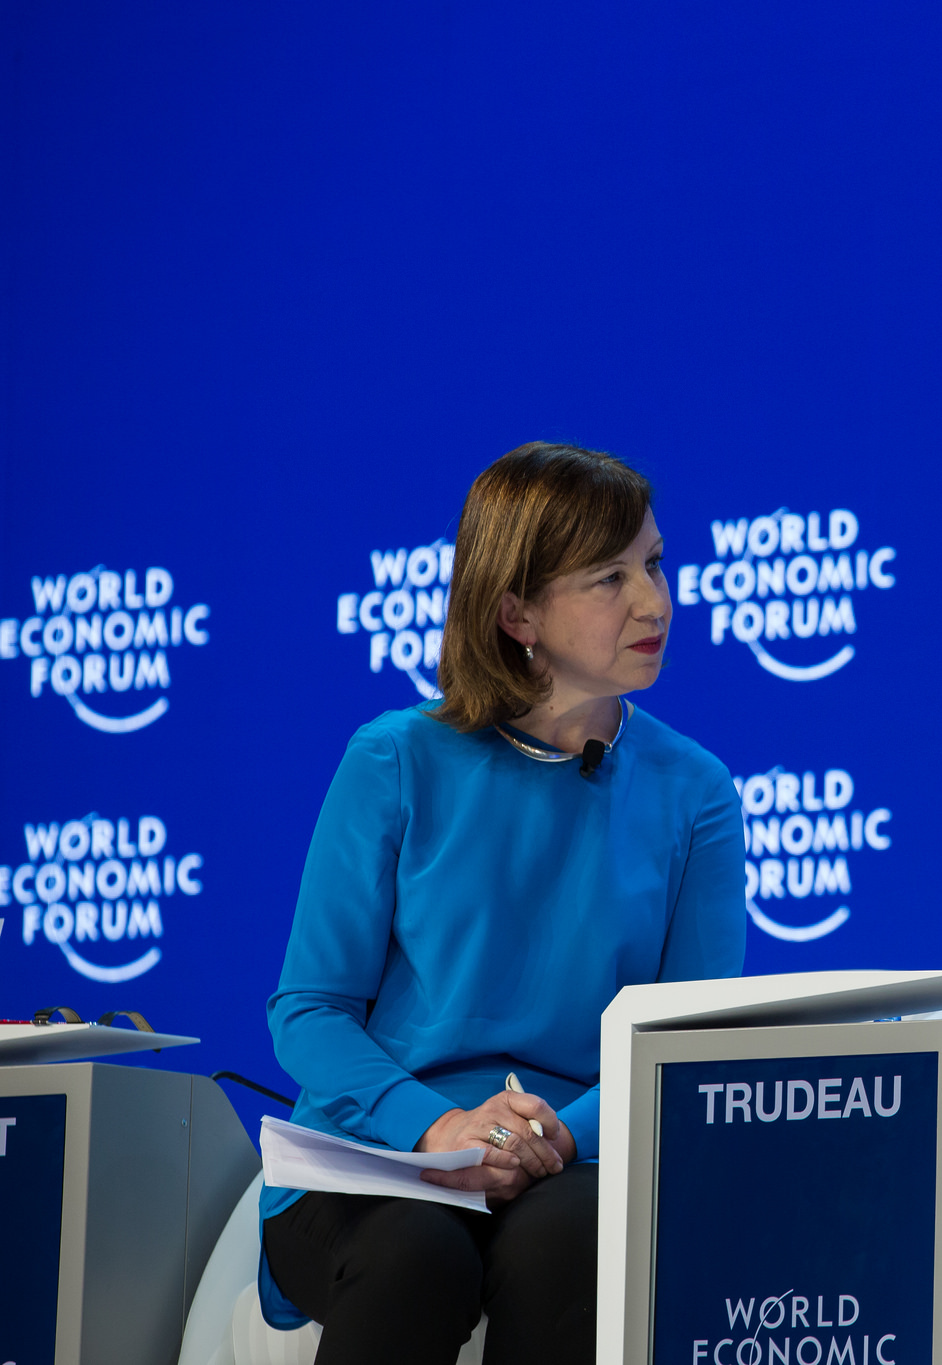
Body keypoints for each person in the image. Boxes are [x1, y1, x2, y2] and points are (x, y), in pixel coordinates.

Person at [259, 442, 746, 1364]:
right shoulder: (394, 758)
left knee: (576, 1239)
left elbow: (693, 1042)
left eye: (654, 562)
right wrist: (434, 1125)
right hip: (383, 1152)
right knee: (413, 1256)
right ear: (516, 611)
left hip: (582, 1154)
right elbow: (310, 1008)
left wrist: (568, 1133)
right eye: (609, 577)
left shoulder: (697, 791)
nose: (655, 601)